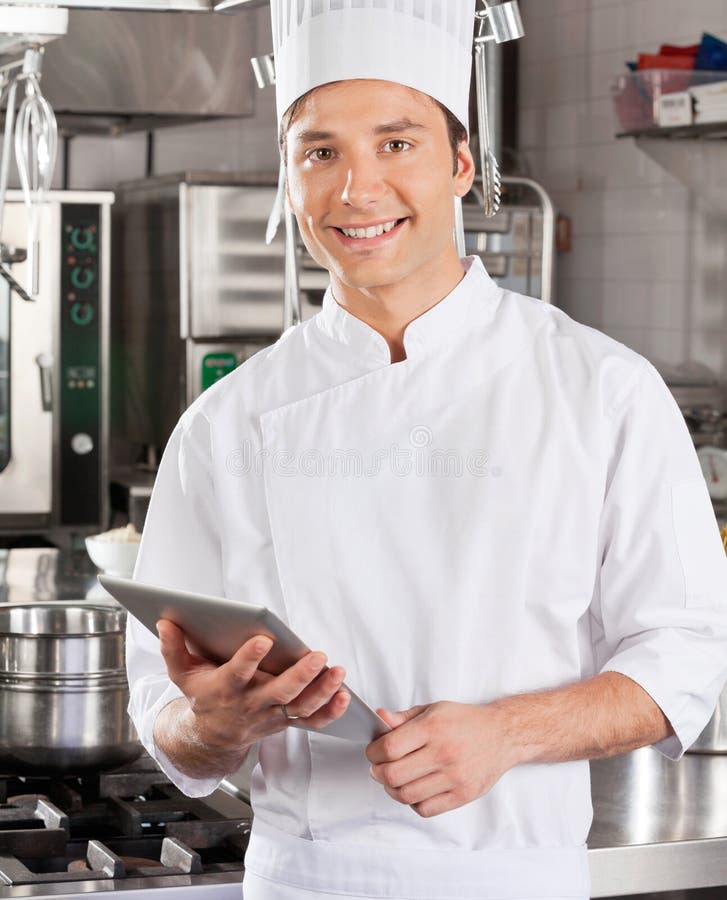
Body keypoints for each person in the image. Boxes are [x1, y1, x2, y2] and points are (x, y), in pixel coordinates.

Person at [126, 2, 727, 898]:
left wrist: (508, 733)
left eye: (396, 144)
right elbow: (165, 717)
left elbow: (682, 654)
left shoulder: (600, 389)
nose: (357, 191)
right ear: (288, 180)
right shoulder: (224, 422)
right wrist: (213, 727)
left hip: (513, 879)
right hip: (302, 880)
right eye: (319, 152)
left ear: (460, 165)